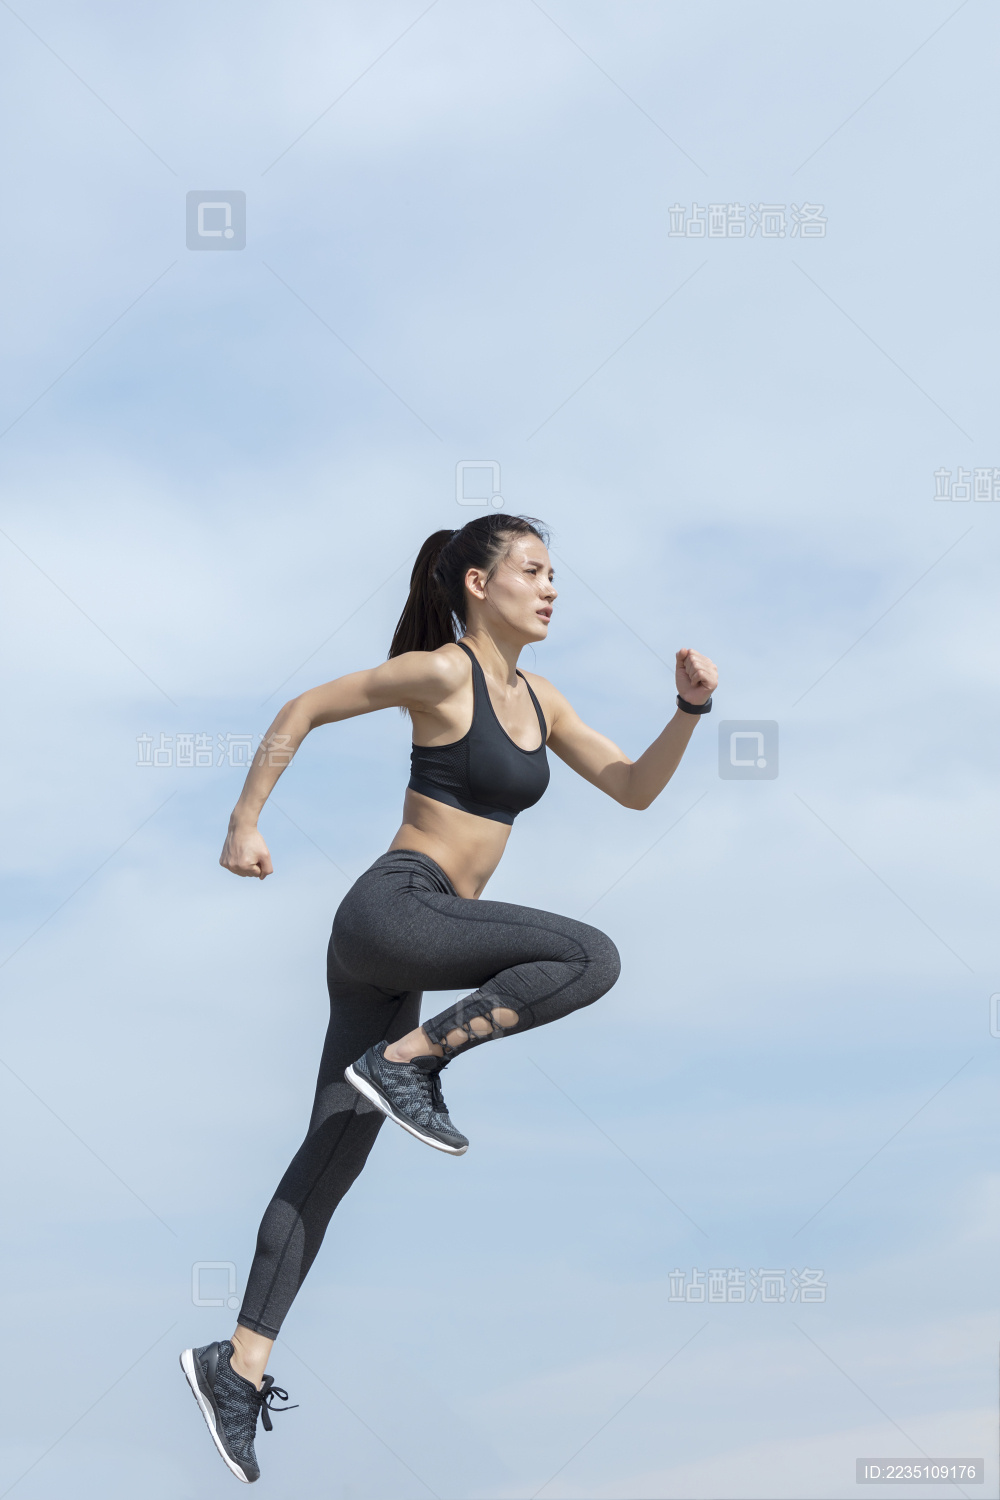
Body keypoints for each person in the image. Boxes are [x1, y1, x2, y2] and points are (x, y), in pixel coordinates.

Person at [180, 514, 717, 1483]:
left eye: (553, 574)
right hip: (395, 908)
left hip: (409, 947)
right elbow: (305, 706)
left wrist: (687, 712)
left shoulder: (542, 700)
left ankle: (238, 1363)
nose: (550, 588)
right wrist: (243, 822)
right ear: (478, 582)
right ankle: (405, 1063)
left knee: (332, 1156)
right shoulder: (439, 673)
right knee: (588, 956)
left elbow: (634, 787)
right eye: (532, 570)